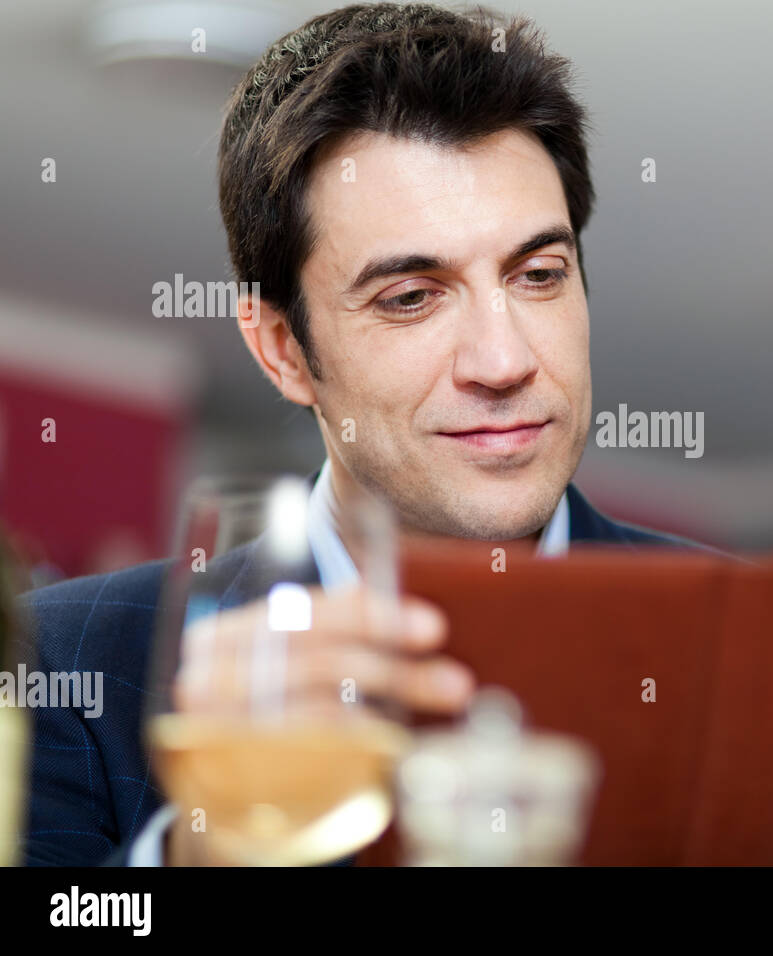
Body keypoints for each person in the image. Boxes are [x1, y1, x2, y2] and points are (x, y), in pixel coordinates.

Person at [21, 2, 709, 867]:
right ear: (283, 351)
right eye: (411, 297)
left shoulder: (748, 640)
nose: (503, 361)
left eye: (538, 275)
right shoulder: (63, 666)